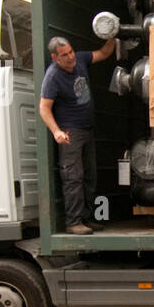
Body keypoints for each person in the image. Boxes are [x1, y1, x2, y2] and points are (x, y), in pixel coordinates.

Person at [39, 35, 116, 234]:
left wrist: (113, 33)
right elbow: (44, 108)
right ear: (55, 58)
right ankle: (73, 222)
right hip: (70, 132)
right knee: (73, 177)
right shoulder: (53, 76)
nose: (71, 57)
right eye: (65, 55)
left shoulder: (80, 59)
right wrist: (56, 131)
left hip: (87, 129)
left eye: (71, 52)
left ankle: (87, 218)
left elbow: (104, 53)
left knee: (90, 176)